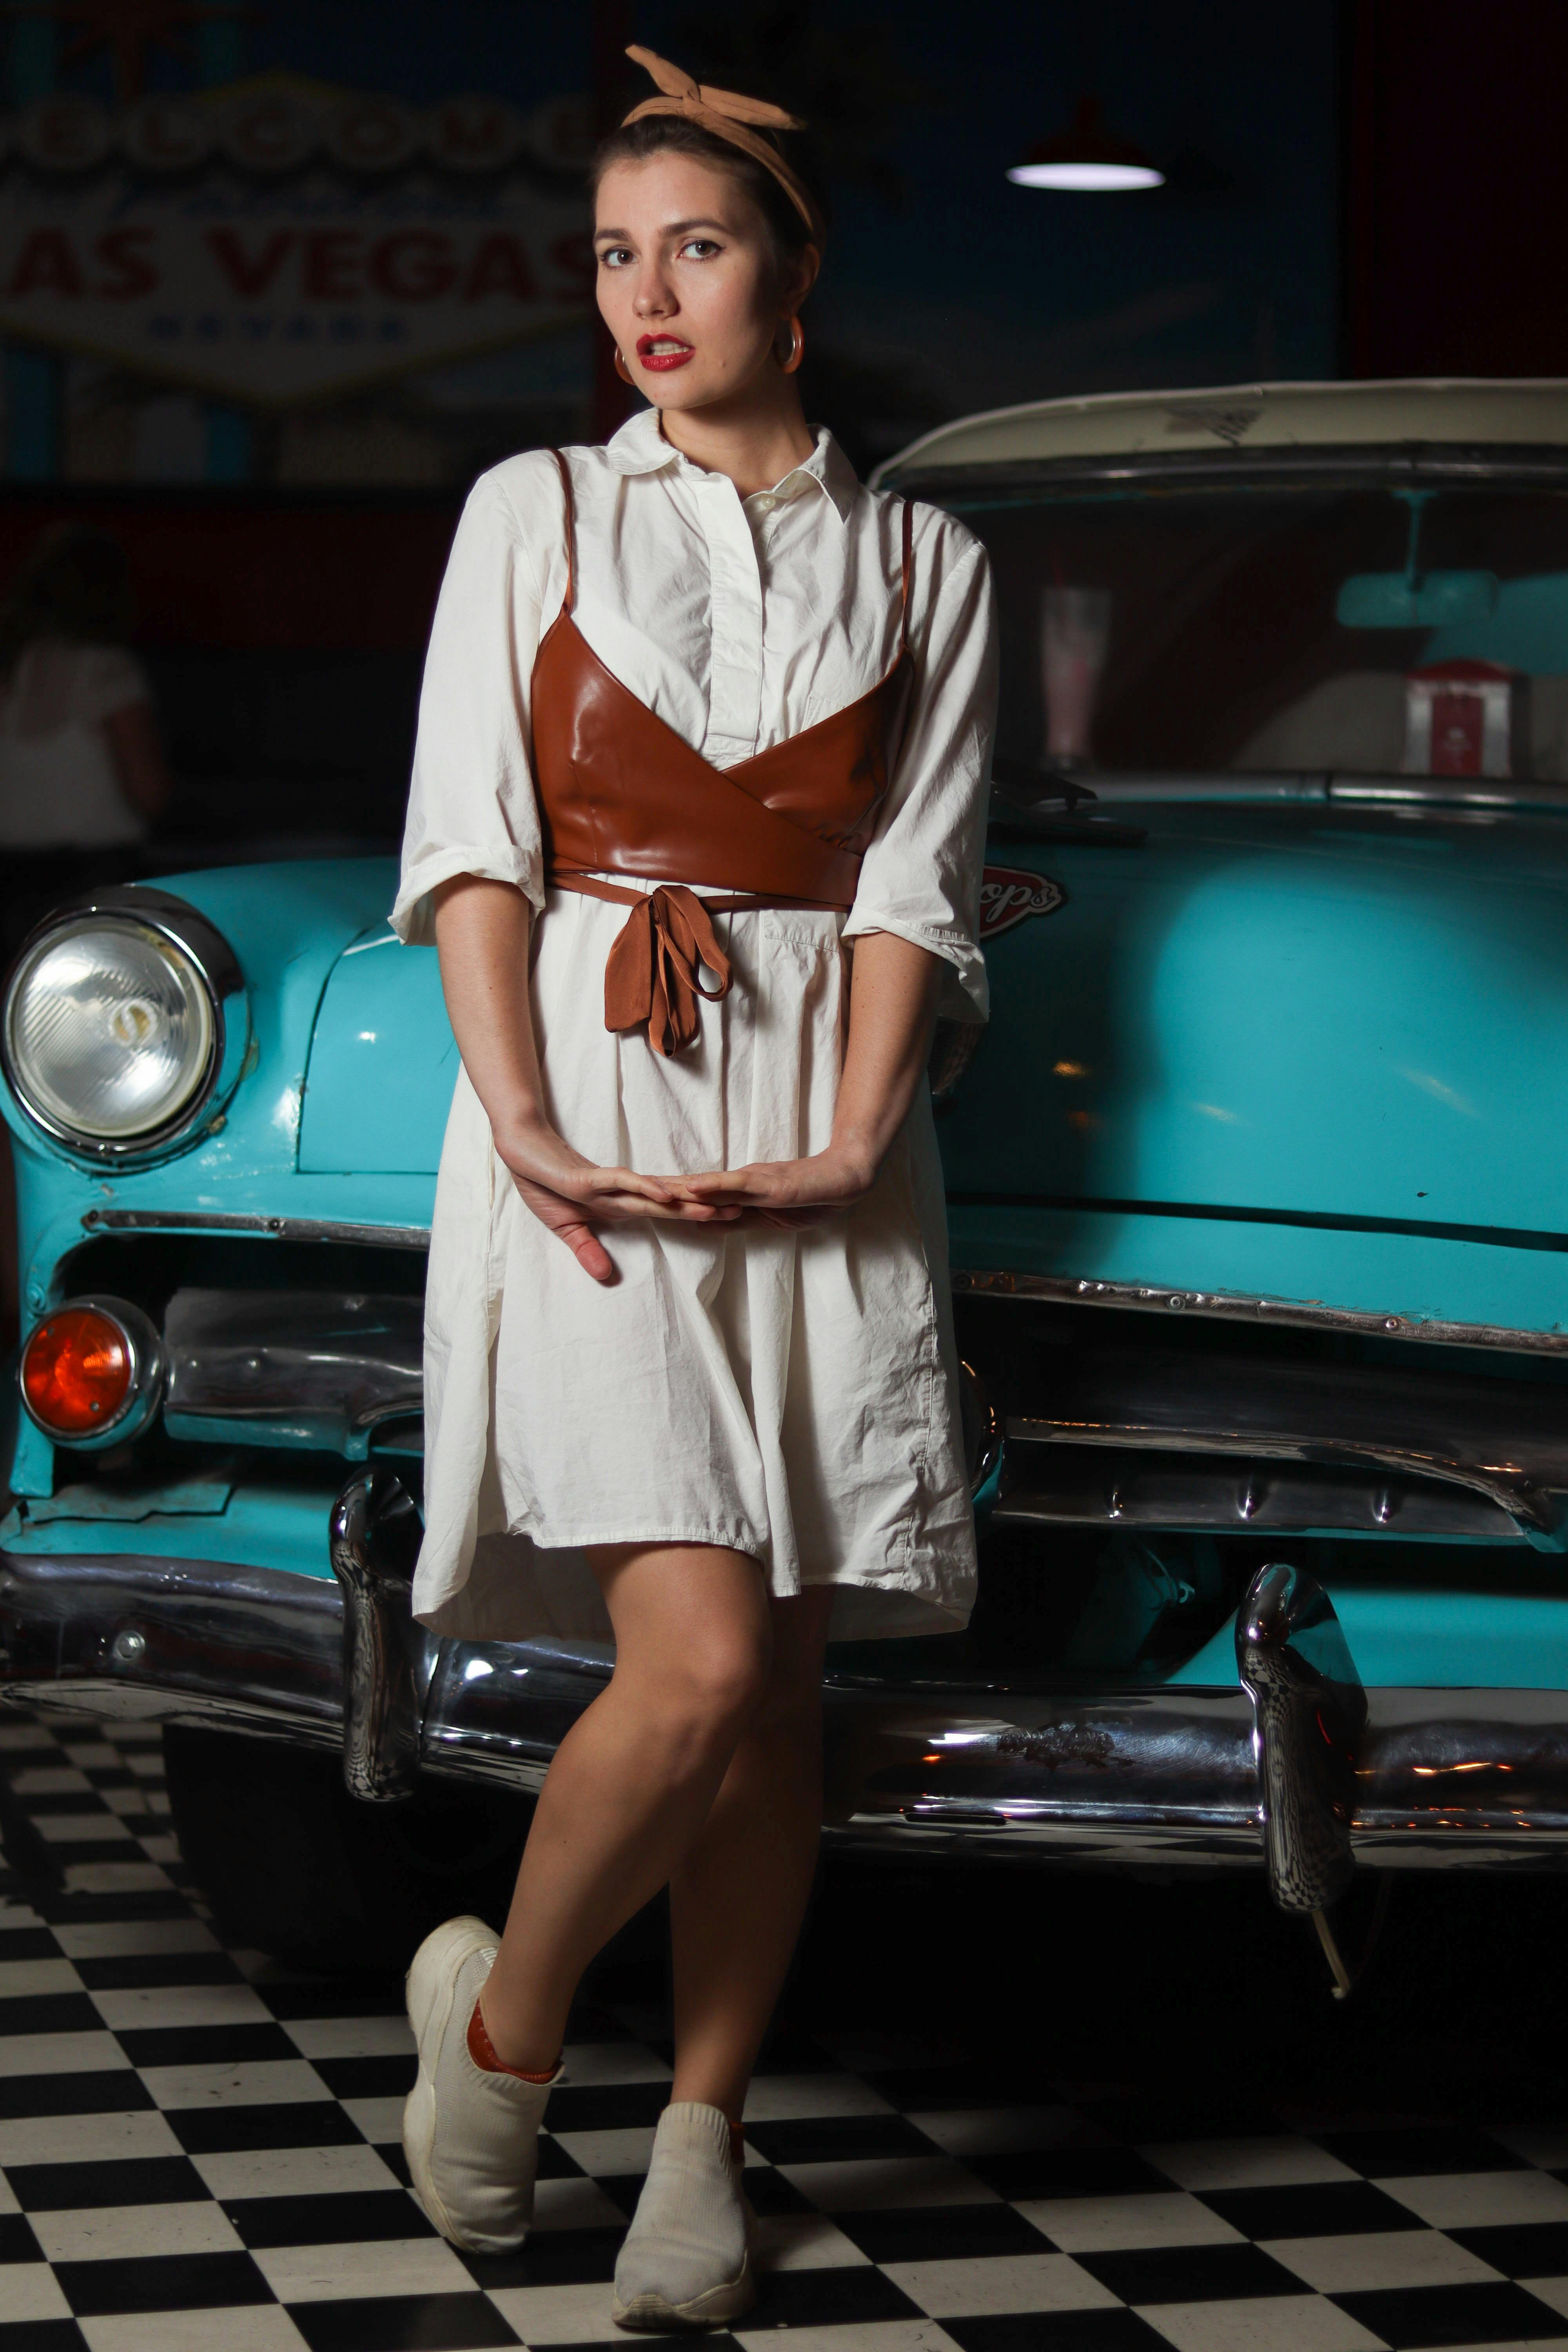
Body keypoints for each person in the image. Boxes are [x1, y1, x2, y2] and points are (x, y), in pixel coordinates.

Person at [390, 45, 998, 2333]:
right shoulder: (532, 505)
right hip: (591, 1123)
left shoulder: (926, 552)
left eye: (699, 244)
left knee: (779, 1692)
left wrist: (852, 1140)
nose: (649, 293)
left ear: (798, 277)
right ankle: (512, 2033)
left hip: (830, 1139)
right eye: (615, 255)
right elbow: (472, 844)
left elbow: (913, 897)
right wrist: (526, 1114)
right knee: (699, 1653)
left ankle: (698, 2145)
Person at [0, 523, 173, 1348]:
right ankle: (87, 1298)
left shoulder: (12, 670)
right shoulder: (108, 671)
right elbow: (148, 793)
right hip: (89, 902)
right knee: (108, 1101)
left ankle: (19, 1294)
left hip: (8, 887)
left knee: (12, 1100)